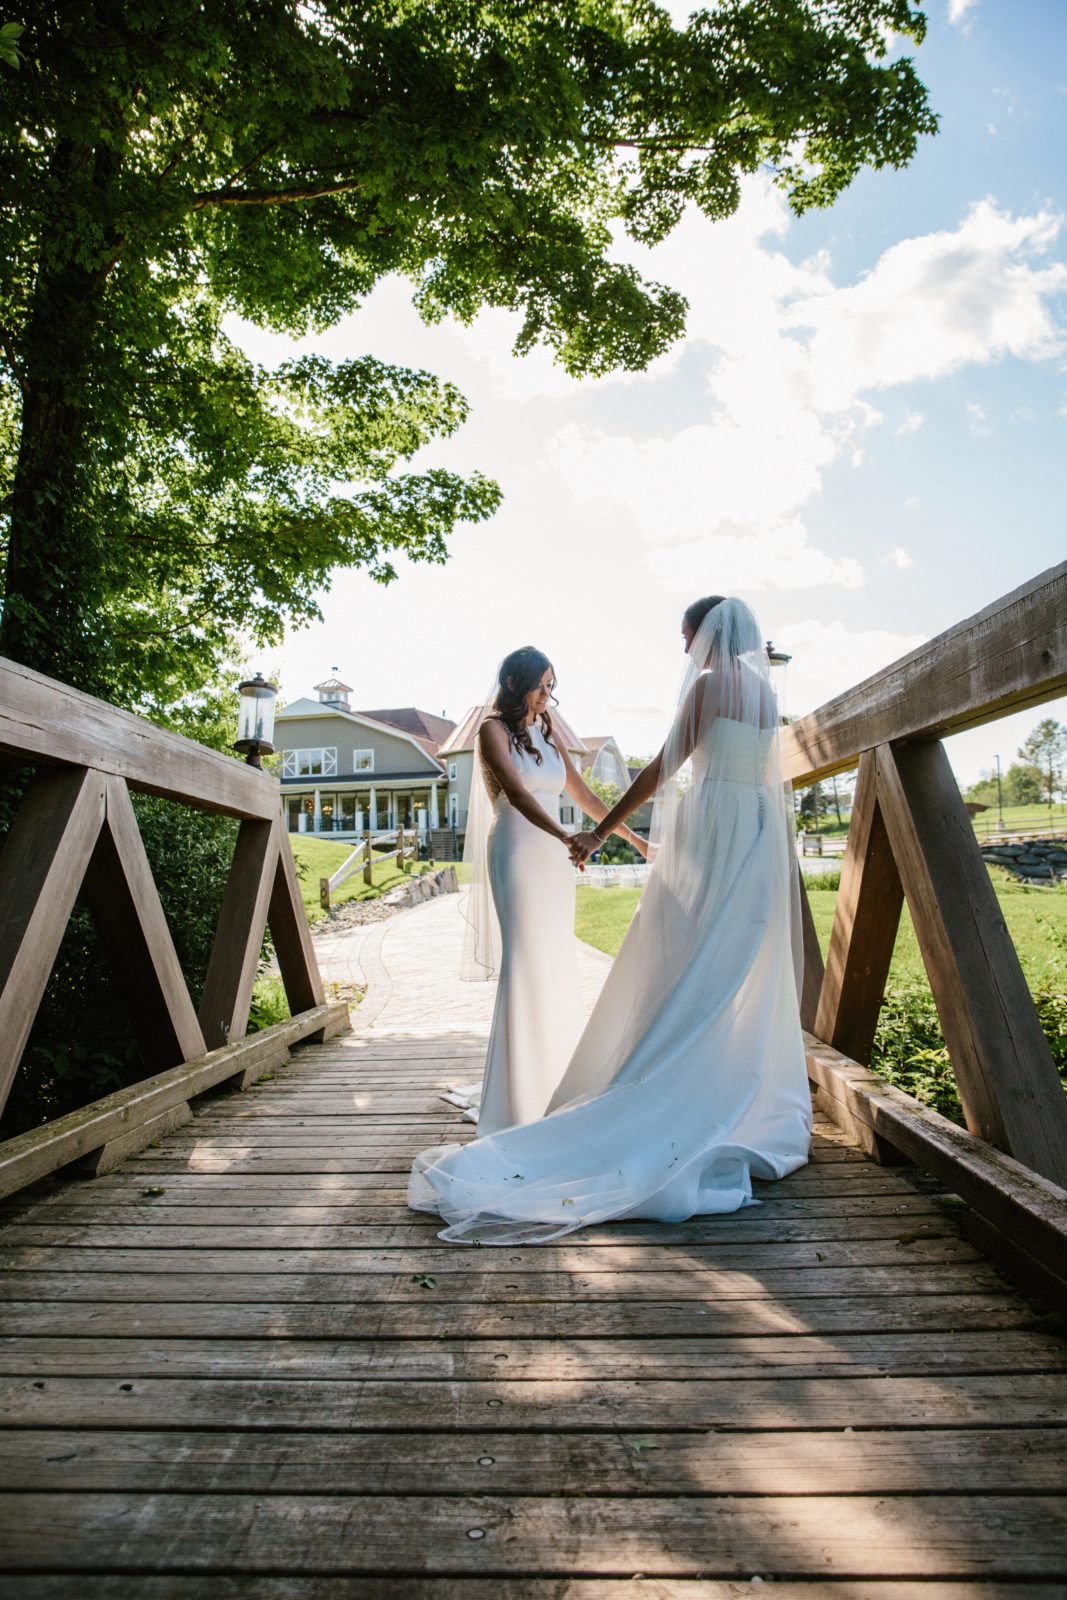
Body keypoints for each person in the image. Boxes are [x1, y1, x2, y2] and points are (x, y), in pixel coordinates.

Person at [411, 597, 812, 1242]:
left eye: (688, 635)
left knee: (687, 952)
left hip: (710, 825)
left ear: (708, 633)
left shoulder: (705, 687)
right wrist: (598, 837)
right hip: (751, 829)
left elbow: (659, 768)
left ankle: (662, 1079)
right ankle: (719, 1081)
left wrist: (606, 834)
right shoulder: (764, 692)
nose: (685, 648)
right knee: (735, 953)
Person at [447, 646, 647, 1134]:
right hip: (517, 849)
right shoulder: (491, 730)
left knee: (556, 958)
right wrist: (565, 837)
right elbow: (517, 794)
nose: (546, 694)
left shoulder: (549, 730)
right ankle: (515, 1094)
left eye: (551, 686)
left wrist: (635, 840)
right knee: (523, 962)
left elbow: (584, 796)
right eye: (540, 684)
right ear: (512, 683)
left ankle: (557, 1077)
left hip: (554, 863)